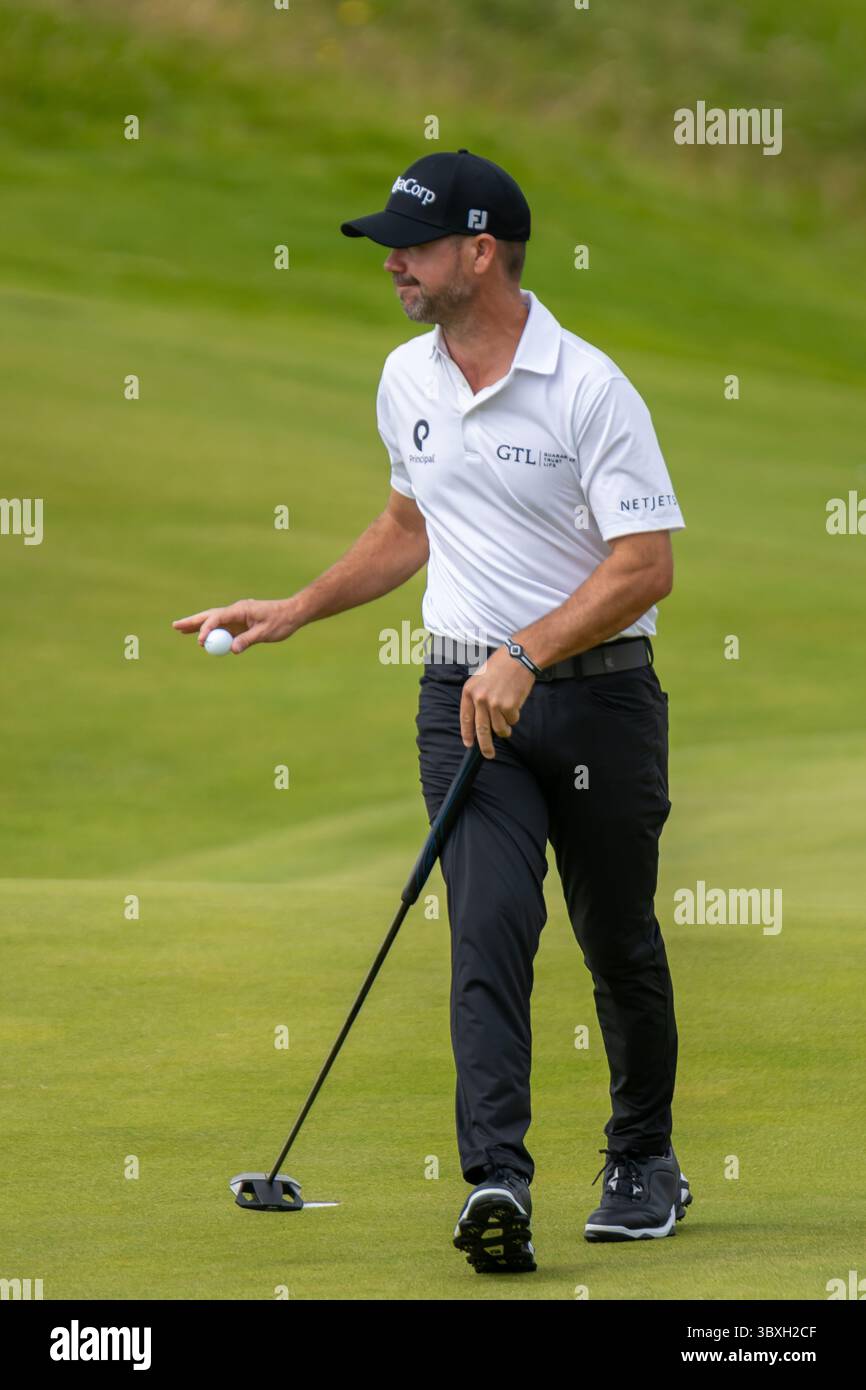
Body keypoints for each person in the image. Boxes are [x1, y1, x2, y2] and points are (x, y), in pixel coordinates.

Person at [174, 149, 693, 1274]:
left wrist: (528, 649)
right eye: (388, 246)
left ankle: (643, 1160)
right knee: (489, 920)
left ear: (480, 251)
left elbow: (642, 566)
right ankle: (495, 1182)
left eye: (410, 245)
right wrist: (298, 606)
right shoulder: (405, 377)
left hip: (599, 705)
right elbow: (409, 526)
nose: (392, 263)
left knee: (616, 937)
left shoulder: (590, 387)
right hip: (461, 701)